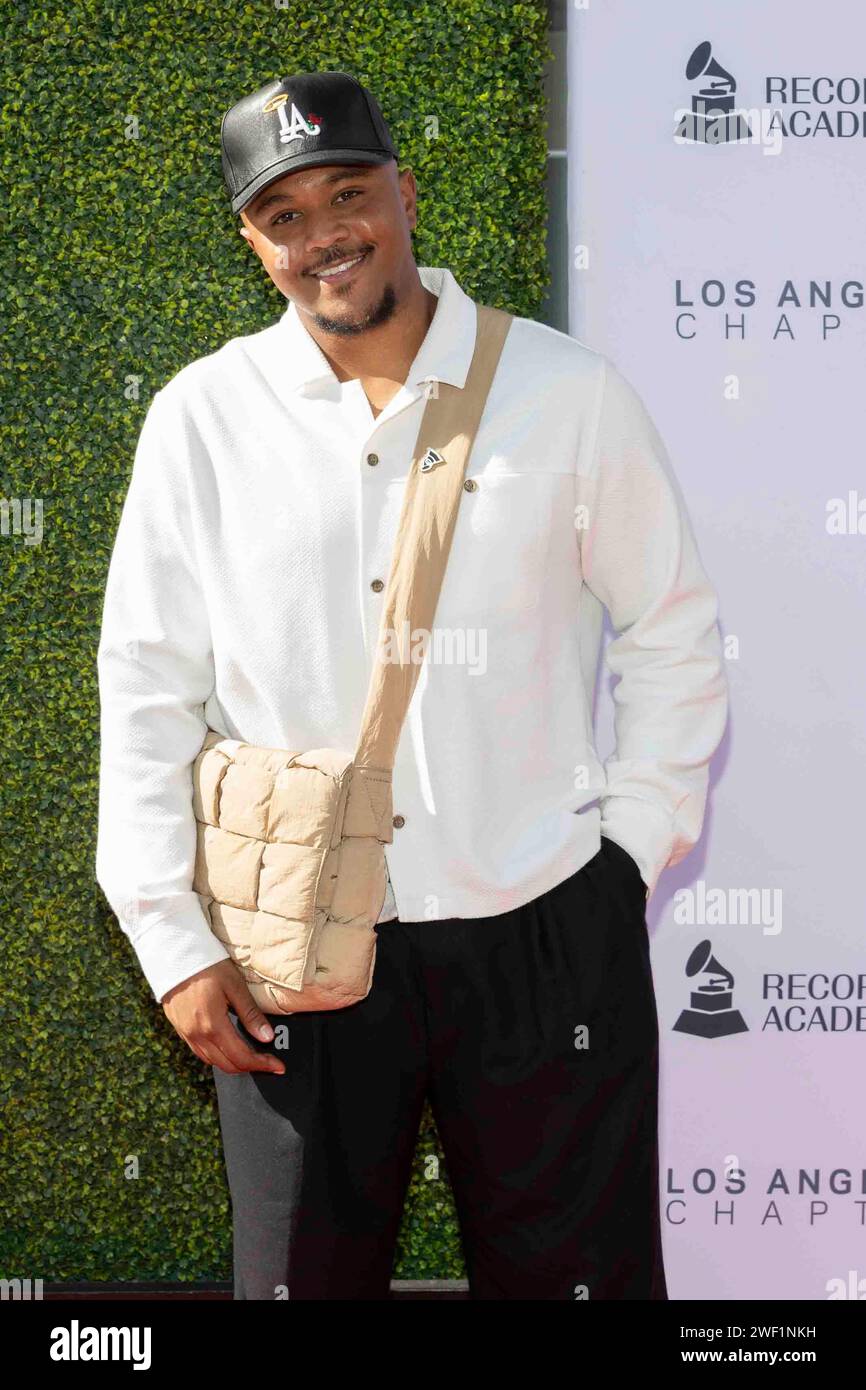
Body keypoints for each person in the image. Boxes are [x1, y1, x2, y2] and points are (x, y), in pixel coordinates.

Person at [96, 69, 729, 1300]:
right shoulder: (202, 419)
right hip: (293, 945)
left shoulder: (564, 394)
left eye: (348, 192)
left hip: (544, 923)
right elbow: (147, 684)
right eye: (284, 213)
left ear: (405, 191)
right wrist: (171, 937)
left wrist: (624, 859)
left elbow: (669, 628)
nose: (324, 232)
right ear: (250, 239)